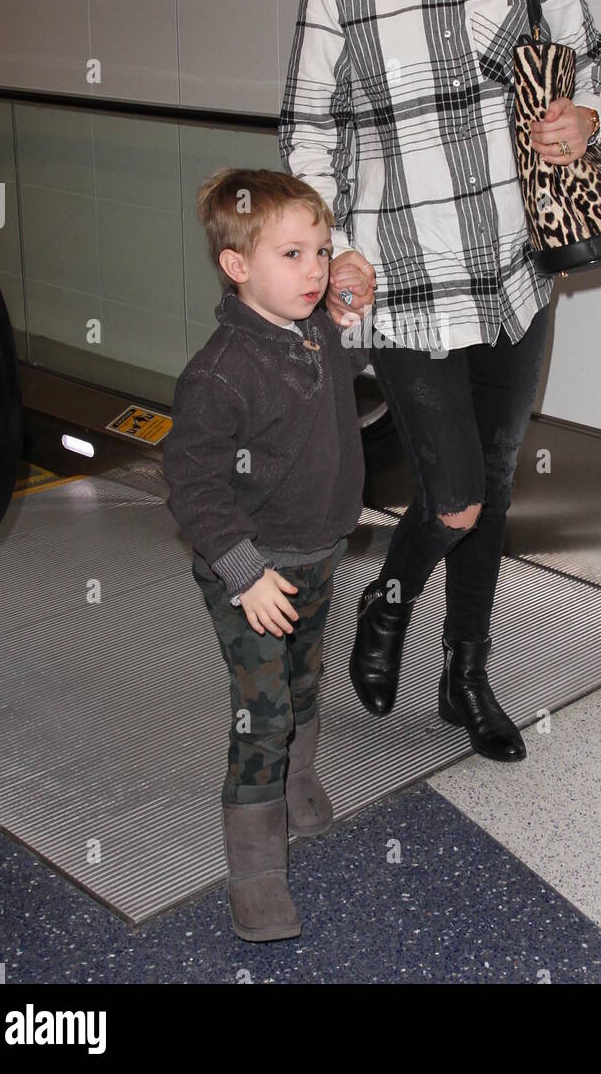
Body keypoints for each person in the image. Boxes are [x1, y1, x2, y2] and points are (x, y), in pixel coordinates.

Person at [279, 0, 601, 763]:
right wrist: (330, 246)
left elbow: (595, 67)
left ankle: (464, 673)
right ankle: (390, 593)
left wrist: (587, 118)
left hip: (514, 270)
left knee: (497, 477)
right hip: (402, 277)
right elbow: (306, 133)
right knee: (459, 491)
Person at [161, 167, 370, 942]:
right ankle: (255, 873)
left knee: (304, 676)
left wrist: (357, 321)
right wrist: (243, 572)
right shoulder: (219, 372)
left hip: (317, 556)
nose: (315, 268)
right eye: (293, 254)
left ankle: (300, 777)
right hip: (249, 569)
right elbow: (190, 484)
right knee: (262, 710)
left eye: (320, 250)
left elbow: (356, 387)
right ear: (237, 265)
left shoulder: (314, 332)